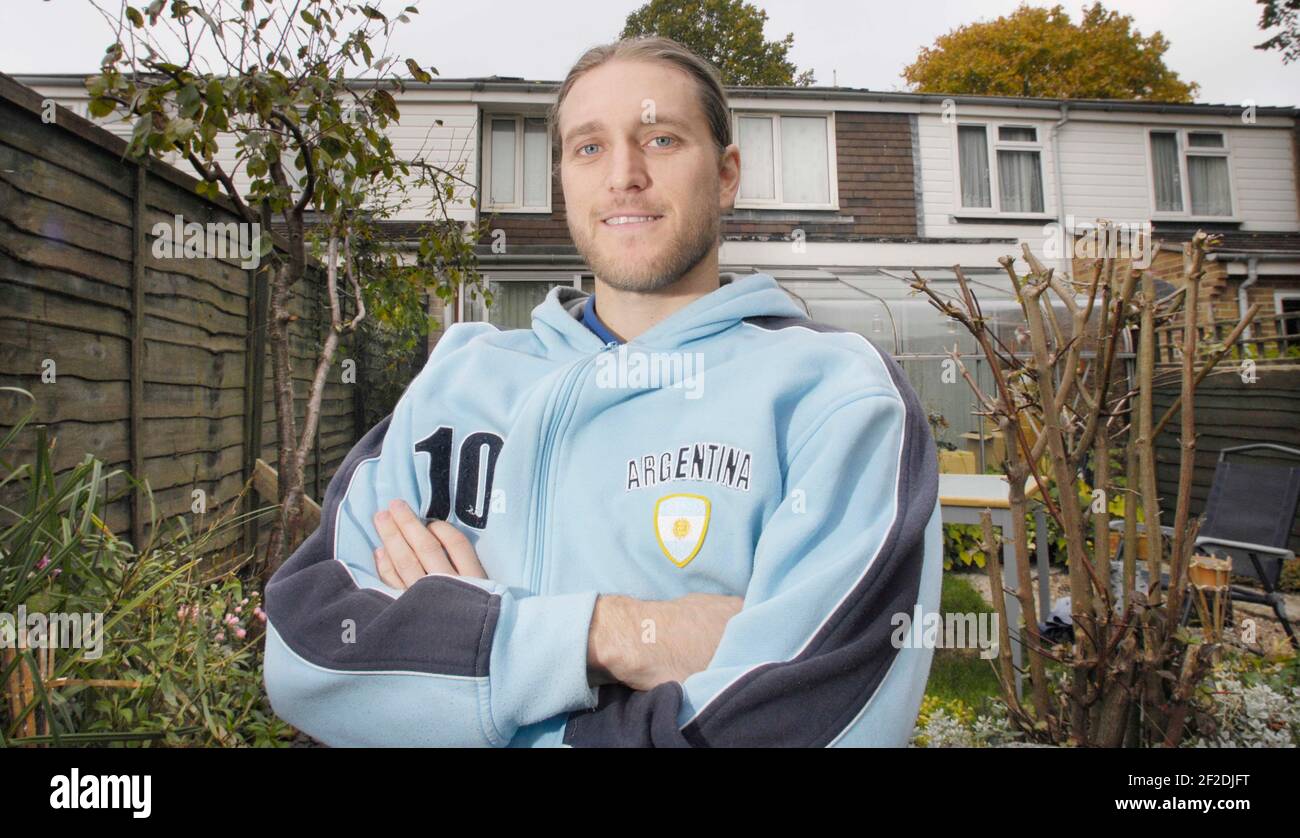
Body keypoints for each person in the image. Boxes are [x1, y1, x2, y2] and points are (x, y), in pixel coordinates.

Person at [263, 35, 943, 747]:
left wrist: (455, 655)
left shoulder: (835, 395)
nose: (624, 175)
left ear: (727, 174)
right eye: (589, 148)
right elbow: (308, 655)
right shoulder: (456, 381)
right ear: (565, 179)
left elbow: (806, 723)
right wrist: (607, 633)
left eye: (661, 138)